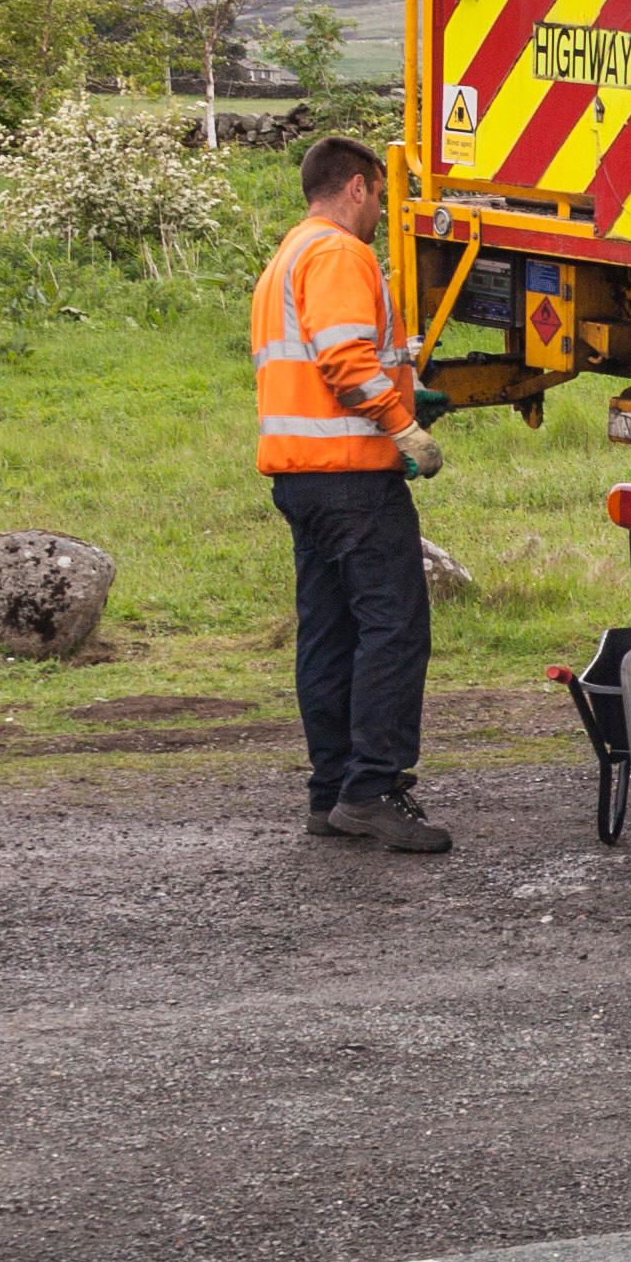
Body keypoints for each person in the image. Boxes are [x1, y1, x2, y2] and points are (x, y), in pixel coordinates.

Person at [257, 136, 448, 855]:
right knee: (393, 629)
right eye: (380, 197)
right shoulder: (339, 253)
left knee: (330, 633)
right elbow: (343, 357)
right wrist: (405, 428)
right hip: (351, 478)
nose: (379, 215)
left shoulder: (290, 253)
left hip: (303, 477)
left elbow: (320, 365)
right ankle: (372, 790)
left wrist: (405, 392)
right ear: (361, 188)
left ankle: (331, 793)